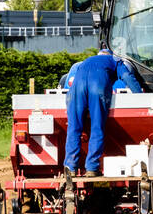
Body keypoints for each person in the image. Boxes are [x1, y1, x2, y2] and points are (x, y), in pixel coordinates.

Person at [60, 48, 143, 176]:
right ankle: (92, 168)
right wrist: (141, 95)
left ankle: (70, 168)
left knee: (74, 129)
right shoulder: (115, 60)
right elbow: (127, 76)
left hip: (76, 89)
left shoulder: (85, 61)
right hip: (97, 86)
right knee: (96, 127)